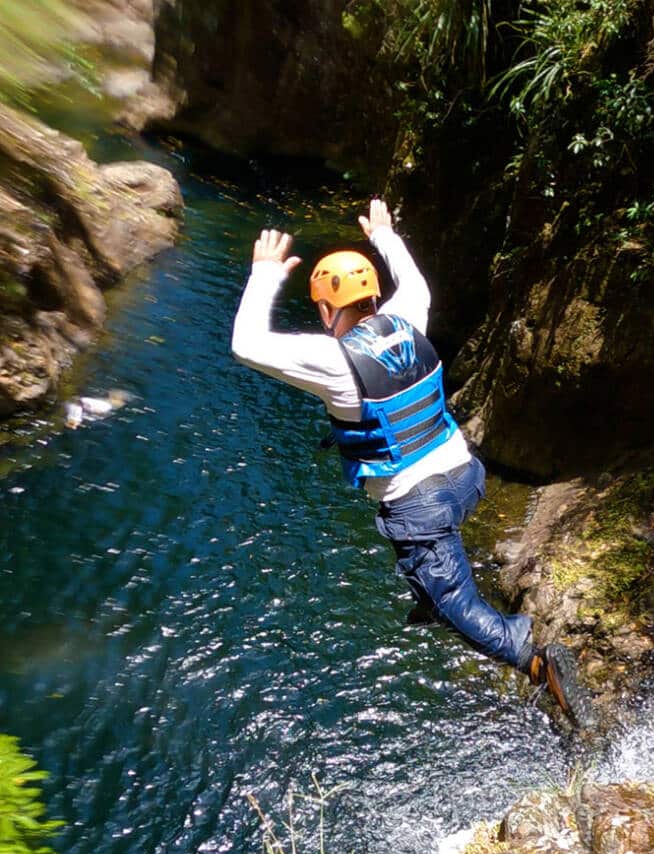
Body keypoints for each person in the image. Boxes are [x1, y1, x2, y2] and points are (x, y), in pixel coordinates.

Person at [231, 199, 593, 726]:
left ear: (328, 311)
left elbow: (245, 345)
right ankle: (431, 589)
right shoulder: (410, 313)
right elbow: (413, 277)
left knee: (454, 605)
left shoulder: (332, 360)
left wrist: (264, 273)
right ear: (375, 296)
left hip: (419, 505)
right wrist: (384, 233)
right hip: (467, 478)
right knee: (431, 558)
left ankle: (535, 662)